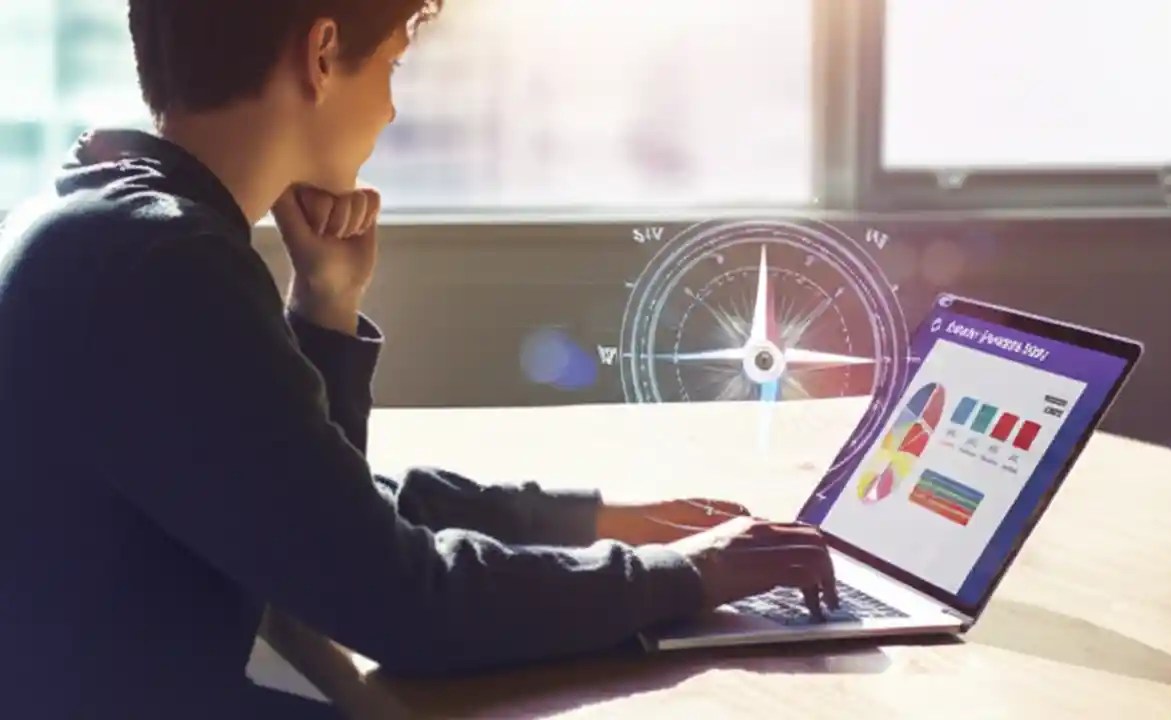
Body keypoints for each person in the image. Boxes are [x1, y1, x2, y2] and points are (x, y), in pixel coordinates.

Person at [0, 1, 837, 718]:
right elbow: (399, 602)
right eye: (394, 63)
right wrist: (685, 575)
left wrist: (325, 306)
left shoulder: (105, 218)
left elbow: (314, 508)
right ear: (322, 54)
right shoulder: (165, 264)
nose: (394, 110)